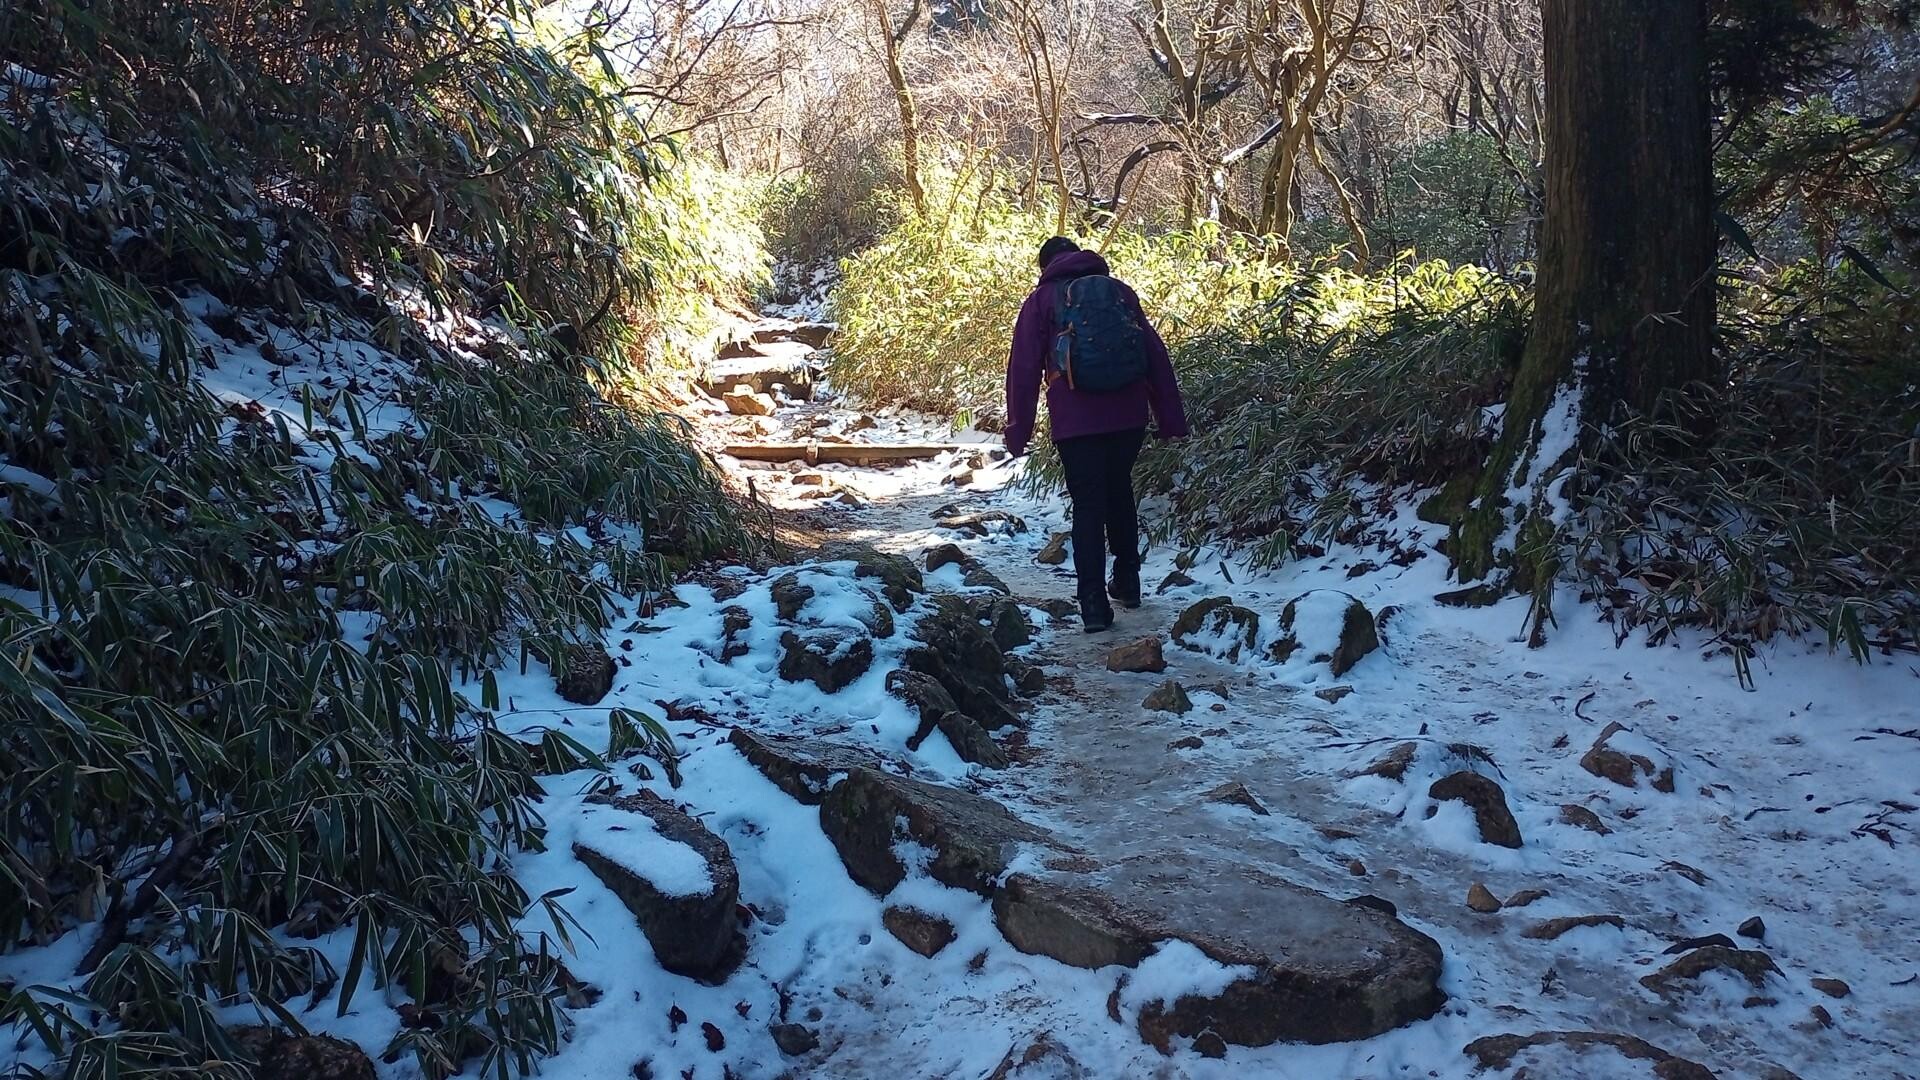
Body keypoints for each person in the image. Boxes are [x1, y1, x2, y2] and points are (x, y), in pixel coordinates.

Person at [1004, 236, 1189, 632]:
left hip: (1076, 419)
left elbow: (1022, 371)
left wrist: (1018, 430)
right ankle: (1128, 581)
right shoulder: (1120, 292)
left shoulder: (1042, 301)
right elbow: (1154, 354)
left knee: (1088, 505)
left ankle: (1093, 605)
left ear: (1046, 265)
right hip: (1129, 415)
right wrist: (1170, 417)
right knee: (1120, 490)